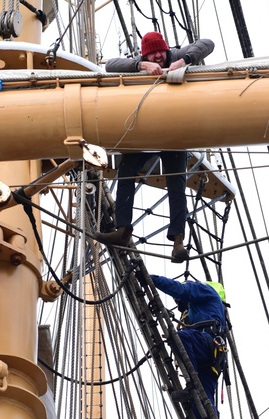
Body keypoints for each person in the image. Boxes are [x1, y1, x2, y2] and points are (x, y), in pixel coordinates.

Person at [96, 32, 216, 262]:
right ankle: (122, 230)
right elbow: (110, 65)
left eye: (160, 52)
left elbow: (208, 43)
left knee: (176, 181)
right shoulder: (140, 63)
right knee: (126, 171)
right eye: (152, 53)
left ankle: (178, 241)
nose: (158, 56)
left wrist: (184, 61)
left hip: (174, 130)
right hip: (147, 129)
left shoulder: (177, 55)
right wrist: (141, 64)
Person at [151, 275, 227, 415]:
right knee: (202, 407)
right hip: (210, 360)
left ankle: (191, 385)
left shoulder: (204, 289)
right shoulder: (199, 309)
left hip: (206, 345)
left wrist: (150, 279)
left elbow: (180, 289)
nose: (178, 304)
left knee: (181, 337)